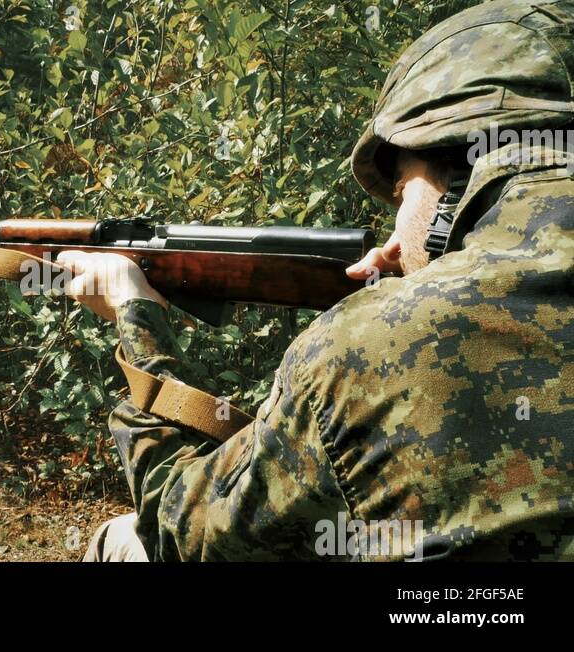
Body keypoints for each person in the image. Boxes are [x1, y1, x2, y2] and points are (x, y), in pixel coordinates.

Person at [60, 0, 574, 561]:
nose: (396, 234)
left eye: (401, 194)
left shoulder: (364, 346)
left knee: (124, 542)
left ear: (453, 172)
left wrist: (136, 317)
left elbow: (185, 532)